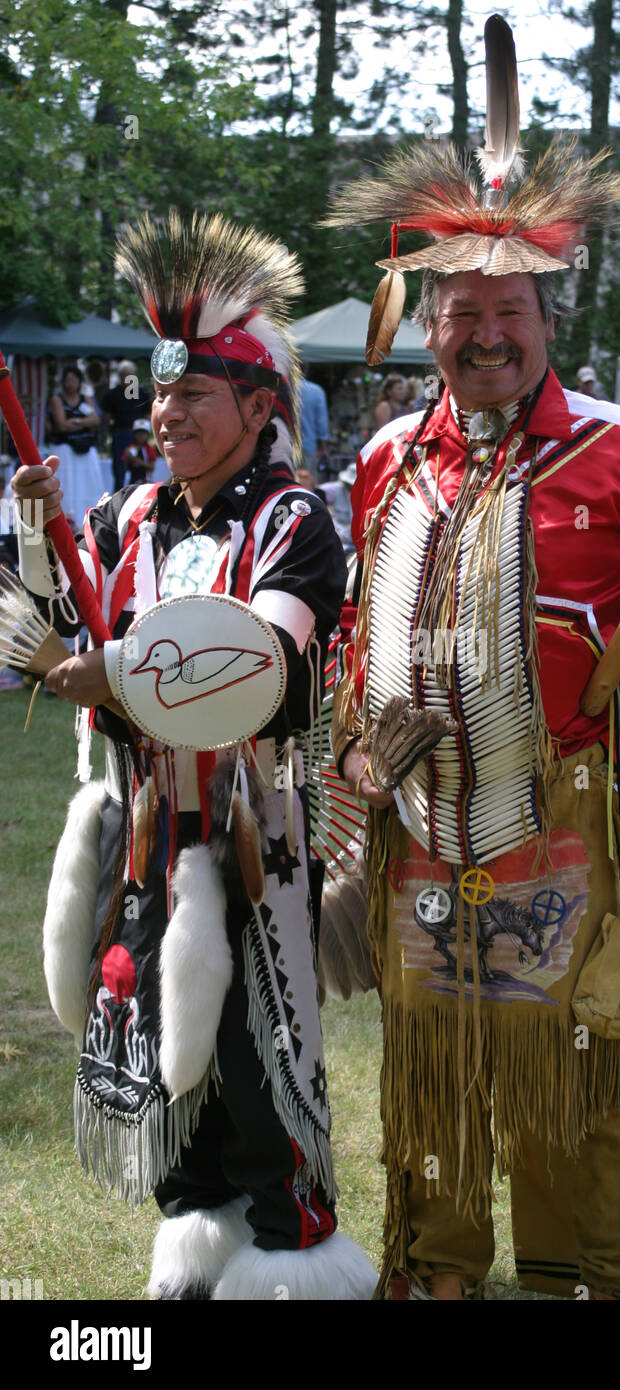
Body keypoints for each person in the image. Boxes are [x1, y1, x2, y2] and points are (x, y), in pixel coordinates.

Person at [326, 69, 620, 1302]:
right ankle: (440, 1279)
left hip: (565, 820)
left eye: (508, 307)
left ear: (544, 321)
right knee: (437, 1075)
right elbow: (361, 620)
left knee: (596, 1073)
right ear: (427, 326)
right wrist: (355, 752)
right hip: (420, 823)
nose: (486, 333)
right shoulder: (386, 461)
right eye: (461, 312)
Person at [11, 212, 375, 1301]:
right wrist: (38, 544)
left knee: (262, 1059)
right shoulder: (131, 519)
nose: (163, 412)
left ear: (259, 408)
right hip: (141, 834)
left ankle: (288, 1256)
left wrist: (111, 671)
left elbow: (250, 663)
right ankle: (197, 1241)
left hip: (252, 832)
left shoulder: (294, 521)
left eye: (192, 395)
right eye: (158, 394)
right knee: (163, 1045)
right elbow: (59, 631)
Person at [45, 366, 105, 525]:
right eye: (68, 380)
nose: (70, 384)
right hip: (65, 449)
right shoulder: (57, 399)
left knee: (87, 485)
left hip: (85, 450)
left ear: (79, 382)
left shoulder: (86, 399)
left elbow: (96, 420)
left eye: (74, 380)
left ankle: (89, 518)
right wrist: (84, 423)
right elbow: (62, 425)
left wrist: (77, 421)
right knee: (68, 484)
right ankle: (67, 518)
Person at [101, 359, 153, 492]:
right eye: (125, 374)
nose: (129, 377)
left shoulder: (142, 393)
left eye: (131, 374)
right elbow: (106, 417)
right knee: (120, 469)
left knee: (140, 470)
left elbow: (149, 414)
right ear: (120, 376)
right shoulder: (112, 394)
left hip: (140, 436)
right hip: (120, 435)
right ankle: (119, 496)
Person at [298, 369, 330, 478]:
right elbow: (321, 422)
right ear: (306, 371)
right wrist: (324, 448)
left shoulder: (283, 389)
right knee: (307, 482)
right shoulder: (316, 391)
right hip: (309, 445)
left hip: (286, 446)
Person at [120, 418, 158, 484]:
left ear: (147, 435)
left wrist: (135, 459)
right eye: (138, 433)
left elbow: (151, 467)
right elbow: (124, 467)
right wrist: (127, 459)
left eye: (143, 434)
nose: (141, 436)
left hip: (146, 481)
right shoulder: (129, 448)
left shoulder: (150, 449)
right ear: (134, 434)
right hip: (131, 482)